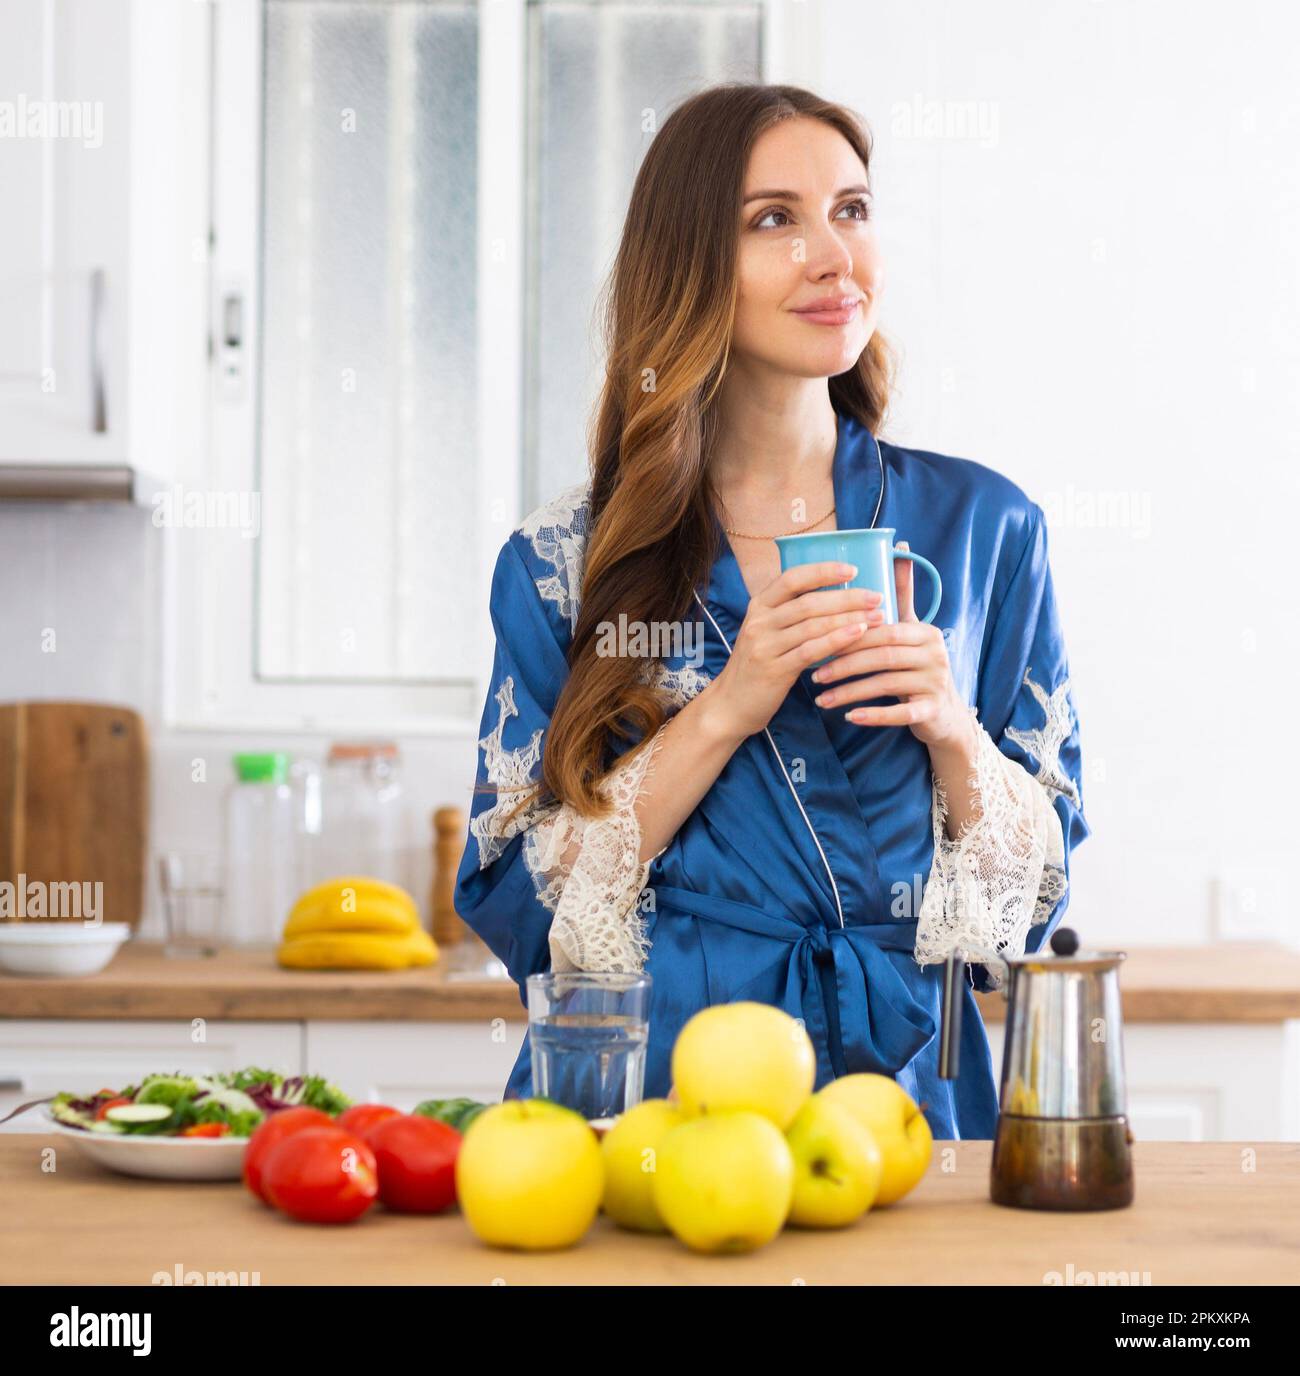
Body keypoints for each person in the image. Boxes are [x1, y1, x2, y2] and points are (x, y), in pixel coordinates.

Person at [454, 83, 1090, 1138]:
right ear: (692, 263)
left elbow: (1030, 908)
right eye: (773, 220)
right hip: (656, 1094)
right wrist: (724, 707)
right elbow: (517, 900)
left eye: (851, 208)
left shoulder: (984, 525)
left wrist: (950, 730)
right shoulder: (568, 559)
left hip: (903, 1099)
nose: (834, 255)